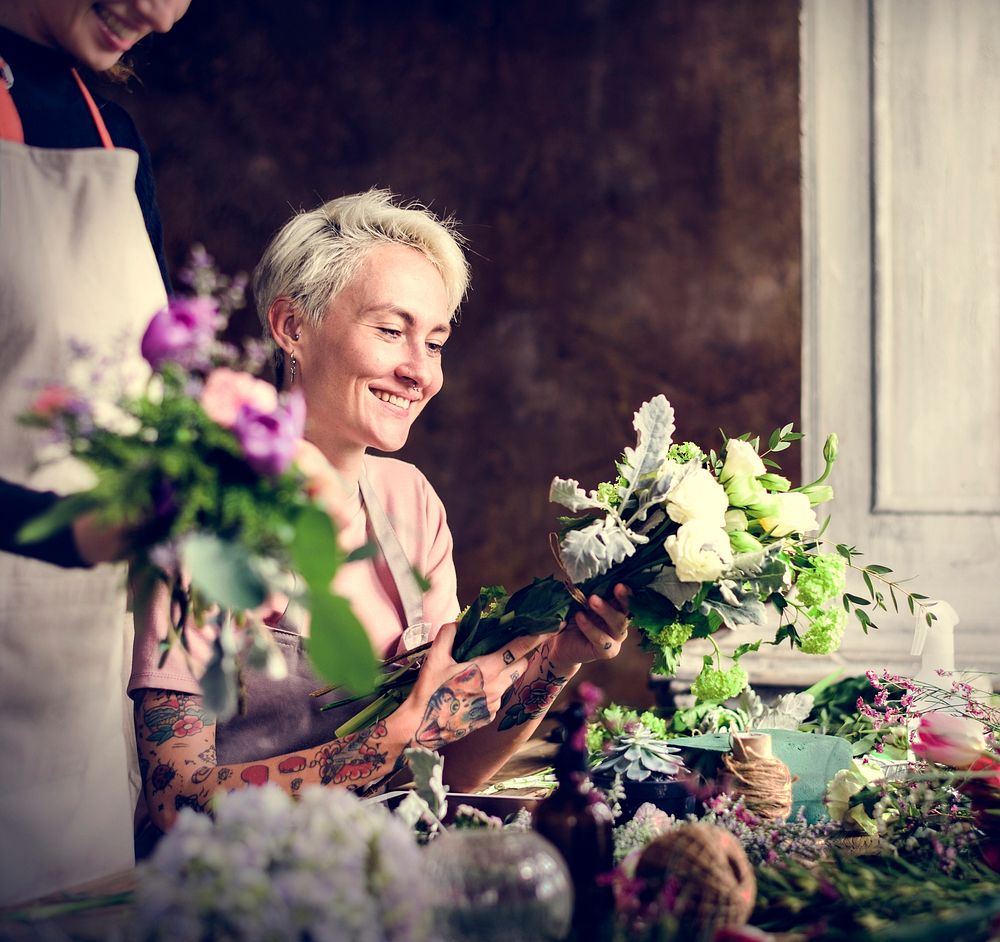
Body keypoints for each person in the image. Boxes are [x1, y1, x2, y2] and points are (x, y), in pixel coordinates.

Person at [129, 191, 631, 835]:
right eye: (391, 331)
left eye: (436, 342)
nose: (418, 371)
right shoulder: (210, 513)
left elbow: (453, 769)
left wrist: (559, 657)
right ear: (292, 327)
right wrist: (394, 736)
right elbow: (179, 807)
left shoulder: (410, 499)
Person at [0, 0, 193, 905]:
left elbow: (157, 387)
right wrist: (67, 532)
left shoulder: (109, 131)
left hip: (86, 676)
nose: (158, 11)